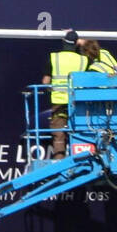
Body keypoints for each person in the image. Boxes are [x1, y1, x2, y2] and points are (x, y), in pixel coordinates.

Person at [42, 29, 87, 158]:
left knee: (59, 133)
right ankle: (81, 157)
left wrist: (51, 89)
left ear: (63, 42)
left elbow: (45, 81)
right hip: (77, 102)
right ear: (76, 44)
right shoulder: (83, 60)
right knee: (79, 131)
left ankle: (59, 159)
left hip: (58, 102)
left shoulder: (54, 58)